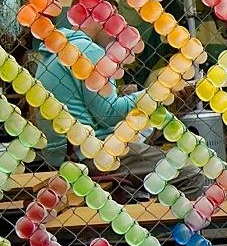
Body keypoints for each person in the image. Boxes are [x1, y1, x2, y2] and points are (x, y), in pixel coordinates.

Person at [33, 12, 202, 199]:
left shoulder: (54, 51)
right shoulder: (89, 51)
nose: (117, 31)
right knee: (191, 174)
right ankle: (178, 228)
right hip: (93, 154)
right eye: (114, 21)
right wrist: (158, 91)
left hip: (63, 155)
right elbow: (108, 114)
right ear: (94, 16)